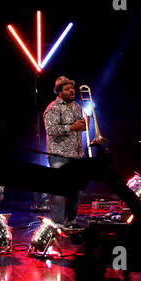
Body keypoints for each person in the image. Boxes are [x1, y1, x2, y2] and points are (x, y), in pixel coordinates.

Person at [42, 75, 103, 228]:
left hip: (76, 154)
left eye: (72, 88)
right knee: (58, 191)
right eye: (67, 89)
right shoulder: (52, 108)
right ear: (59, 92)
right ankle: (57, 223)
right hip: (59, 154)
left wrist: (85, 125)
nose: (72, 91)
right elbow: (51, 129)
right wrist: (72, 127)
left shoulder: (76, 106)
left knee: (76, 191)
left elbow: (80, 128)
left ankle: (71, 220)